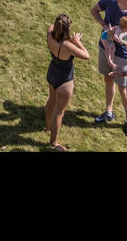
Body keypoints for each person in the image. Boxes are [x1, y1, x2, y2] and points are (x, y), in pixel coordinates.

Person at [91, 0, 127, 126]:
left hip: (121, 56)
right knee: (108, 80)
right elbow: (94, 11)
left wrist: (117, 37)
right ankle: (109, 112)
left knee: (123, 90)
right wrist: (104, 25)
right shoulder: (110, 1)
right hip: (104, 48)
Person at [44, 13, 90, 151]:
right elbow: (86, 56)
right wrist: (77, 41)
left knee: (51, 100)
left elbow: (52, 27)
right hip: (64, 79)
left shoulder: (50, 33)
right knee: (59, 112)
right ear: (67, 29)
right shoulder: (68, 46)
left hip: (52, 72)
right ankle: (53, 143)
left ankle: (47, 127)